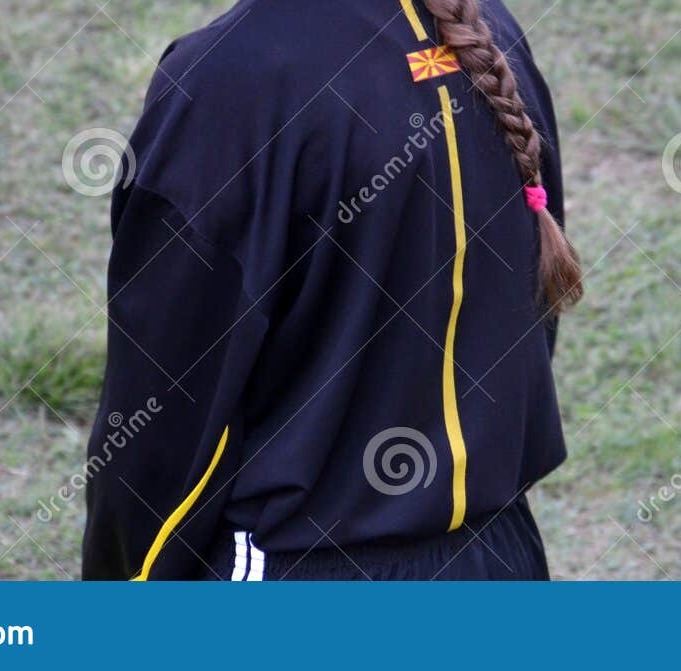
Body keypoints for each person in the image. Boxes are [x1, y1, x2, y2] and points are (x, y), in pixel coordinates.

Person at [81, 0, 581, 580]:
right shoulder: (490, 28)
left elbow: (168, 416)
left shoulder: (227, 80)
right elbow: (529, 304)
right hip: (501, 560)